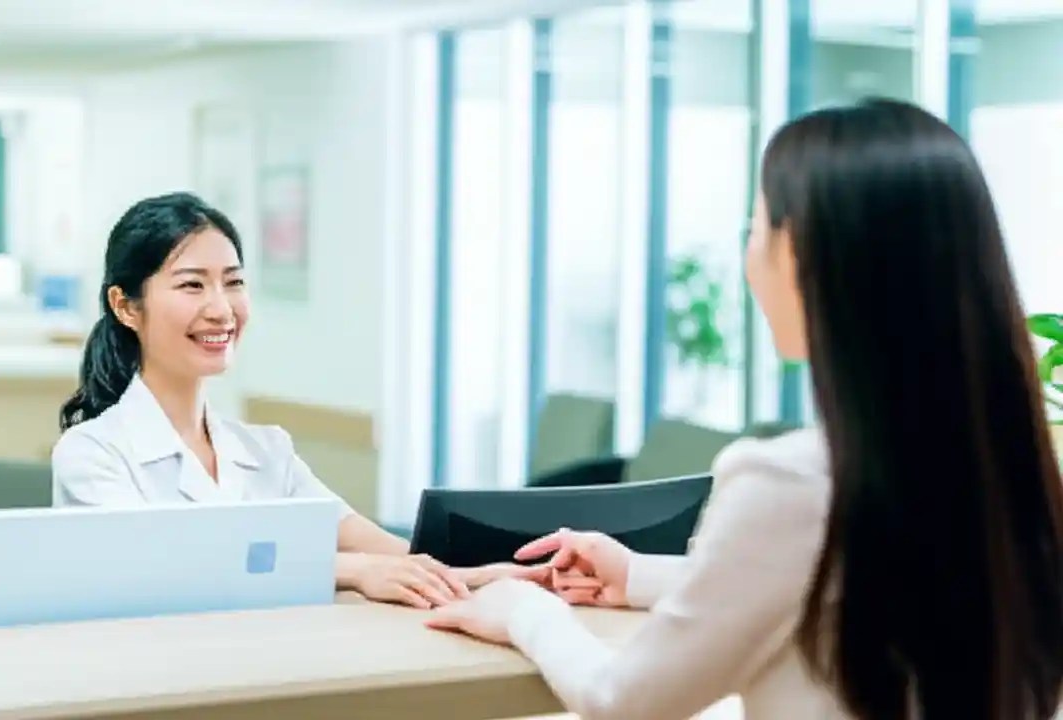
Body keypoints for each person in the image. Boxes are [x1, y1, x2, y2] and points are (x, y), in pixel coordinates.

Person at [426, 98, 1063, 719]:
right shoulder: (1005, 467)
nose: (749, 260)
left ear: (801, 255)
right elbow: (840, 587)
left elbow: (625, 702)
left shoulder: (791, 480)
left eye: (756, 230)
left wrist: (524, 613)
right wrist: (638, 576)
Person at [53, 192, 530, 609]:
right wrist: (354, 572)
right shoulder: (93, 454)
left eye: (233, 282)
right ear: (126, 306)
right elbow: (174, 566)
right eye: (192, 284)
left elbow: (368, 541)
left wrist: (484, 574)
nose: (221, 309)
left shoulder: (266, 450)